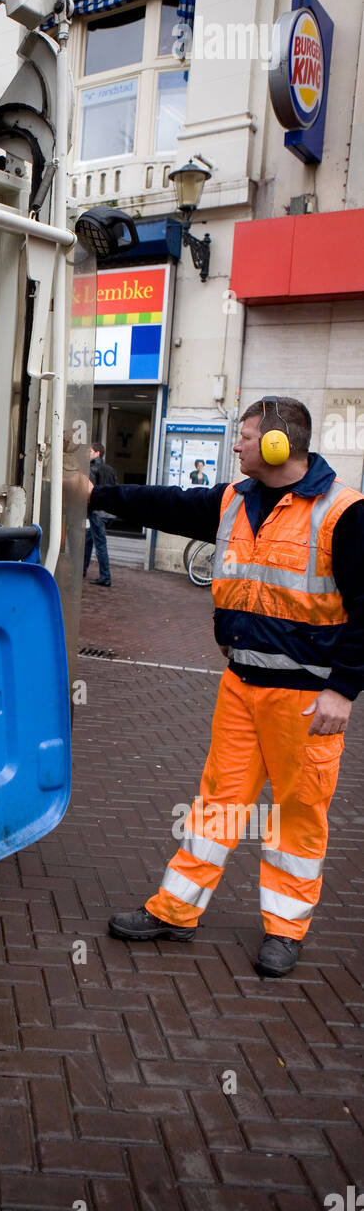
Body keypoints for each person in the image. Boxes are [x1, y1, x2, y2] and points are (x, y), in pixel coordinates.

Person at [81, 396, 364, 977]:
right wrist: (97, 494)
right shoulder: (236, 499)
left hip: (307, 698)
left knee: (297, 811)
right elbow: (167, 503)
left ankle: (285, 929)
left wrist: (344, 689)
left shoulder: (343, 513)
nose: (236, 445)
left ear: (280, 443)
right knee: (217, 803)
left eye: (246, 435)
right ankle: (176, 911)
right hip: (240, 686)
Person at [83, 442, 117, 587]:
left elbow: (89, 492)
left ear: (97, 453)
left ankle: (105, 577)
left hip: (97, 512)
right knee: (88, 539)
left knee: (100, 544)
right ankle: (82, 569)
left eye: (90, 451)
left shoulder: (92, 468)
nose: (87, 454)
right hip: (108, 512)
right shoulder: (111, 469)